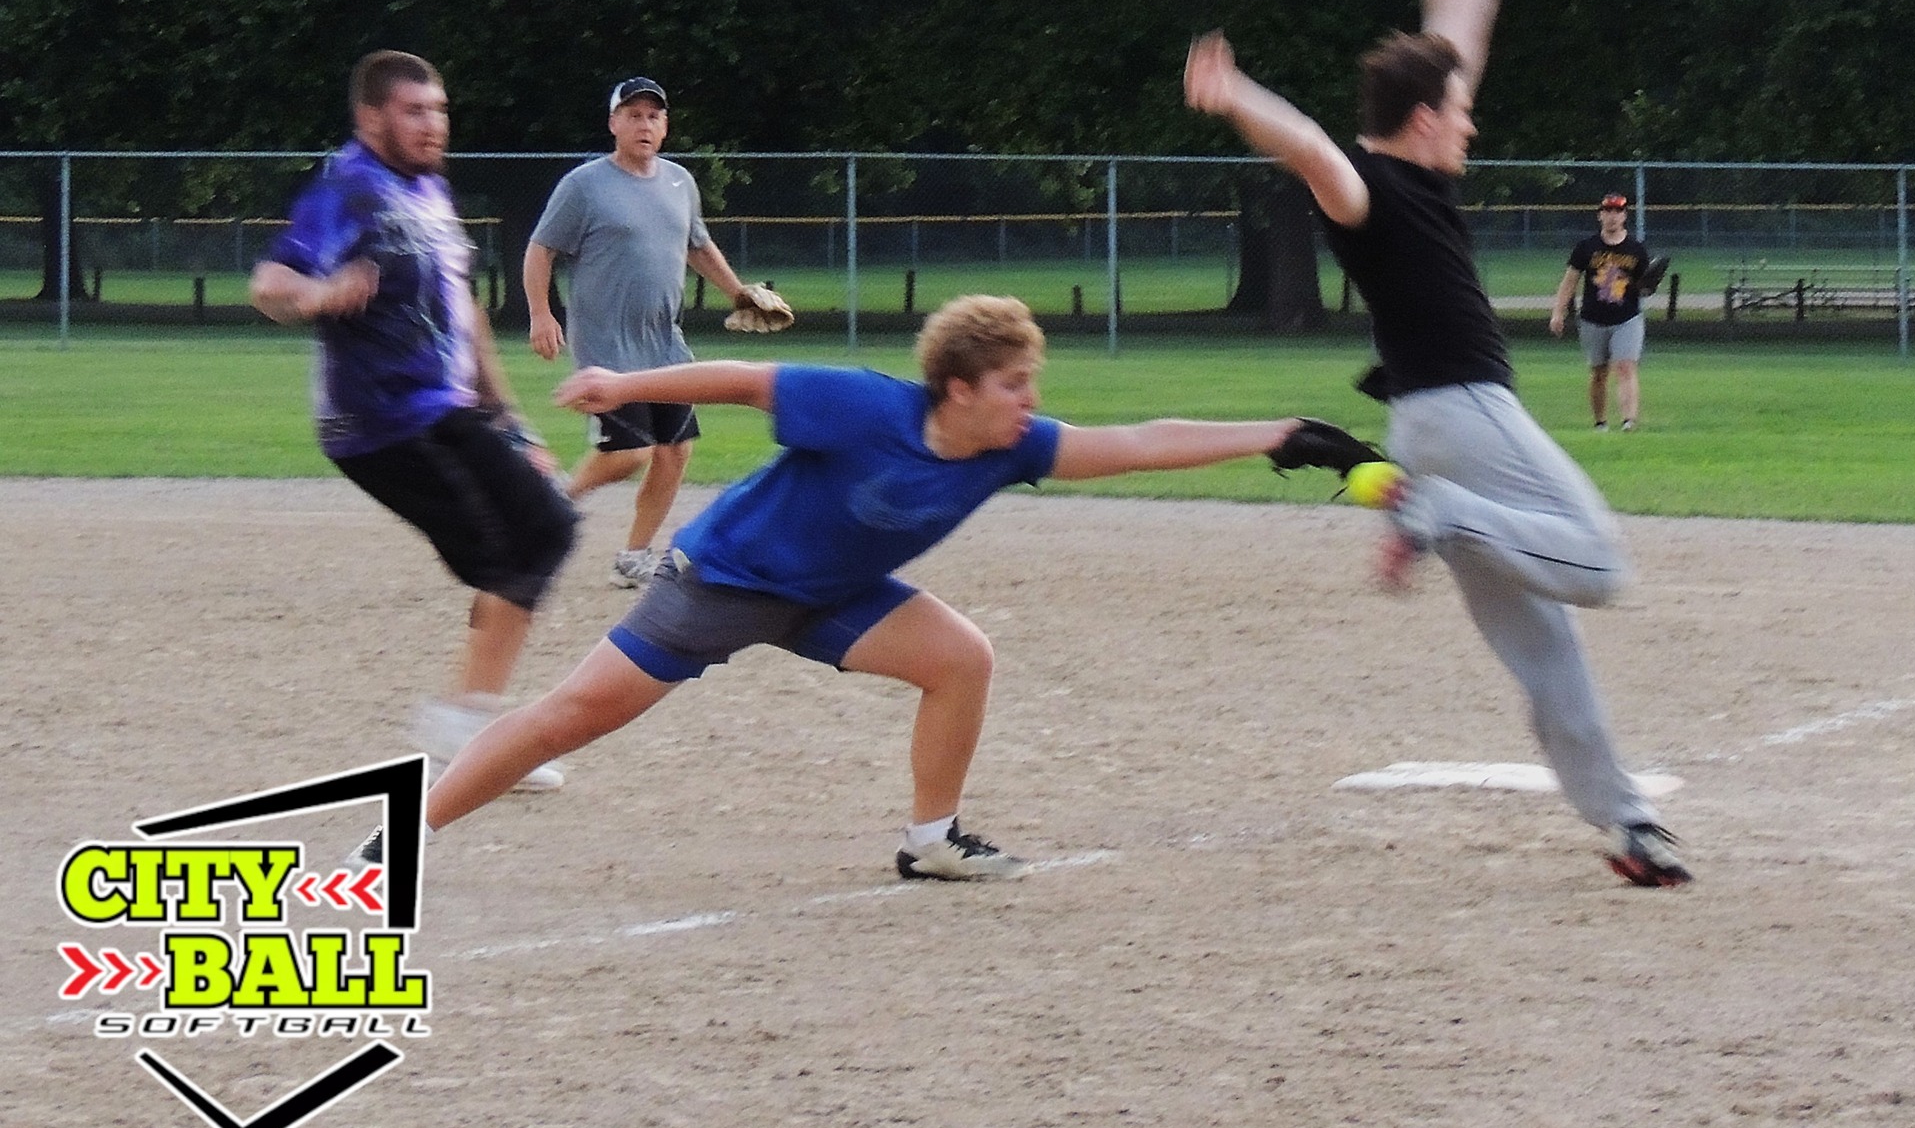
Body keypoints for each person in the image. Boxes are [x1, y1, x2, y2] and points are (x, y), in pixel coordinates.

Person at [355, 295, 1325, 881]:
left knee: (960, 659)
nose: (1030, 403)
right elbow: (744, 378)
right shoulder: (864, 404)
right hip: (726, 579)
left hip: (835, 592)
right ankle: (402, 842)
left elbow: (1140, 442)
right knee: (571, 716)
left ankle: (932, 840)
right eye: (1012, 384)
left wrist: (1276, 434)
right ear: (959, 387)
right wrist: (621, 386)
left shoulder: (1012, 447)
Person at [1182, 0, 1691, 888]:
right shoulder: (1369, 189)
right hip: (1462, 423)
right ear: (1421, 122)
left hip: (1424, 427)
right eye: (1457, 111)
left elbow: (1460, 21)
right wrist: (1238, 99)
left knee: (1541, 647)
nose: (1471, 120)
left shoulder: (1418, 170)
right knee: (1600, 568)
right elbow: (1312, 148)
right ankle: (1439, 514)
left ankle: (1626, 823)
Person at [252, 50, 580, 792]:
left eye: (439, 110)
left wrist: (509, 419)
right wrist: (317, 295)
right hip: (383, 423)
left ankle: (470, 717)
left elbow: (462, 310)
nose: (433, 125)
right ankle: (470, 724)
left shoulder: (428, 188)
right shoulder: (348, 188)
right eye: (414, 111)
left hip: (444, 413)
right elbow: (269, 283)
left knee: (545, 529)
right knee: (520, 546)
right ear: (370, 117)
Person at [526, 77, 793, 591]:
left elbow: (698, 246)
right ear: (613, 124)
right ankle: (549, 507)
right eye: (633, 115)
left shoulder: (679, 182)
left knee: (676, 450)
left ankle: (634, 557)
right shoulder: (584, 186)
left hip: (665, 343)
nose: (644, 124)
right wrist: (541, 313)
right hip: (607, 344)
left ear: (665, 127)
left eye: (653, 116)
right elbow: (541, 249)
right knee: (628, 453)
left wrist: (738, 293)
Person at [1549, 193, 1654, 430]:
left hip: (1627, 318)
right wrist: (1558, 312)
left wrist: (1647, 286)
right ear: (1600, 215)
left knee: (1625, 367)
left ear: (1624, 216)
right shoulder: (1587, 247)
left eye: (1618, 211)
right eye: (1608, 211)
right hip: (1592, 319)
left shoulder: (1636, 250)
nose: (1612, 216)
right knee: (1599, 373)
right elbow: (1570, 281)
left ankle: (1628, 421)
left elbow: (1644, 285)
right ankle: (1600, 423)